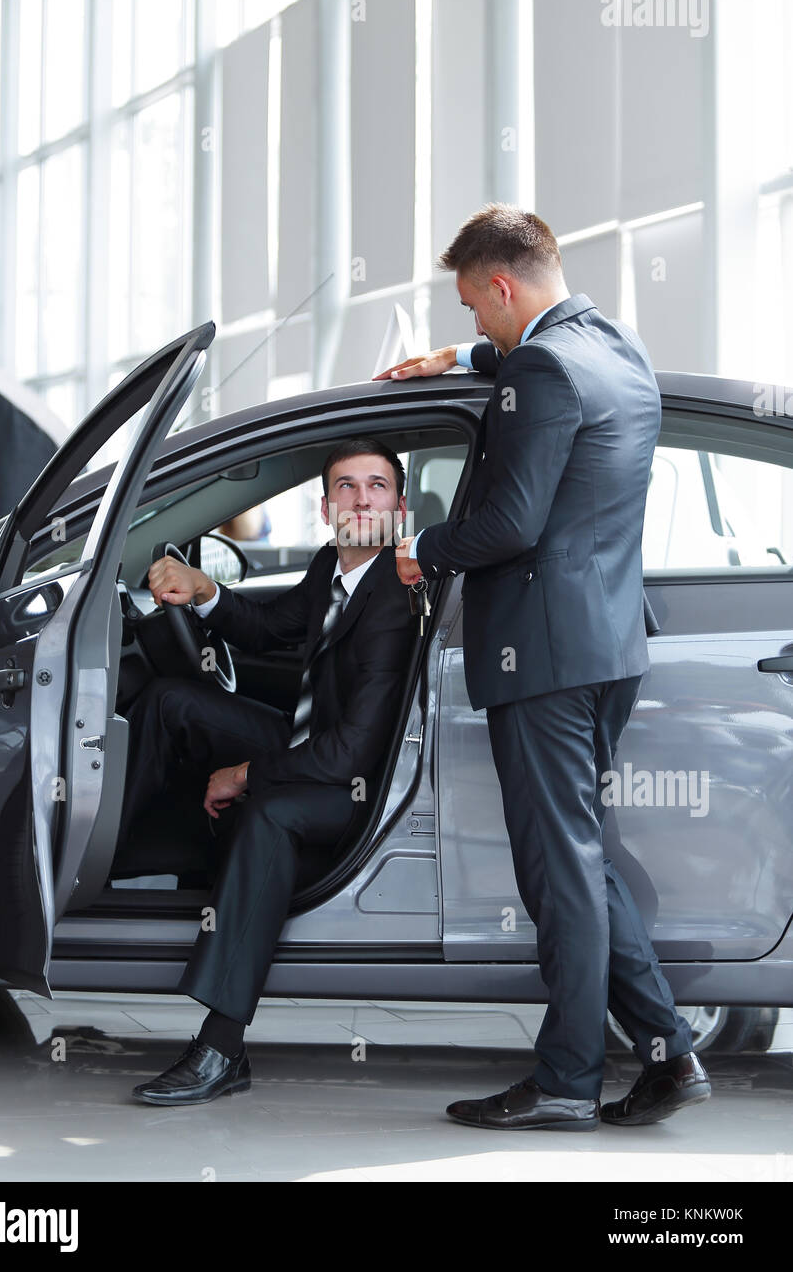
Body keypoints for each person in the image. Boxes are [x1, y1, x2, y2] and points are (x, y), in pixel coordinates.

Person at [380, 203, 710, 1131]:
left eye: (473, 312)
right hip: (605, 646)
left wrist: (423, 548)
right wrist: (459, 361)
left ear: (503, 286)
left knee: (557, 868)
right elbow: (537, 374)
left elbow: (509, 527)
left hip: (545, 655)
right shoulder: (615, 347)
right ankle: (668, 1052)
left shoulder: (543, 366)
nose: (475, 326)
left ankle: (565, 1080)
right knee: (580, 854)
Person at [120, 437, 416, 1105]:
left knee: (267, 813)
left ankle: (222, 1049)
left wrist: (245, 774)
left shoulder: (394, 597)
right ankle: (97, 858)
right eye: (347, 486)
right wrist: (202, 591)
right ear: (325, 506)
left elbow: (350, 757)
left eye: (377, 486)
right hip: (310, 744)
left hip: (353, 790)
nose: (362, 498)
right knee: (172, 701)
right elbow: (265, 628)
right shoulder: (331, 571)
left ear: (400, 505)